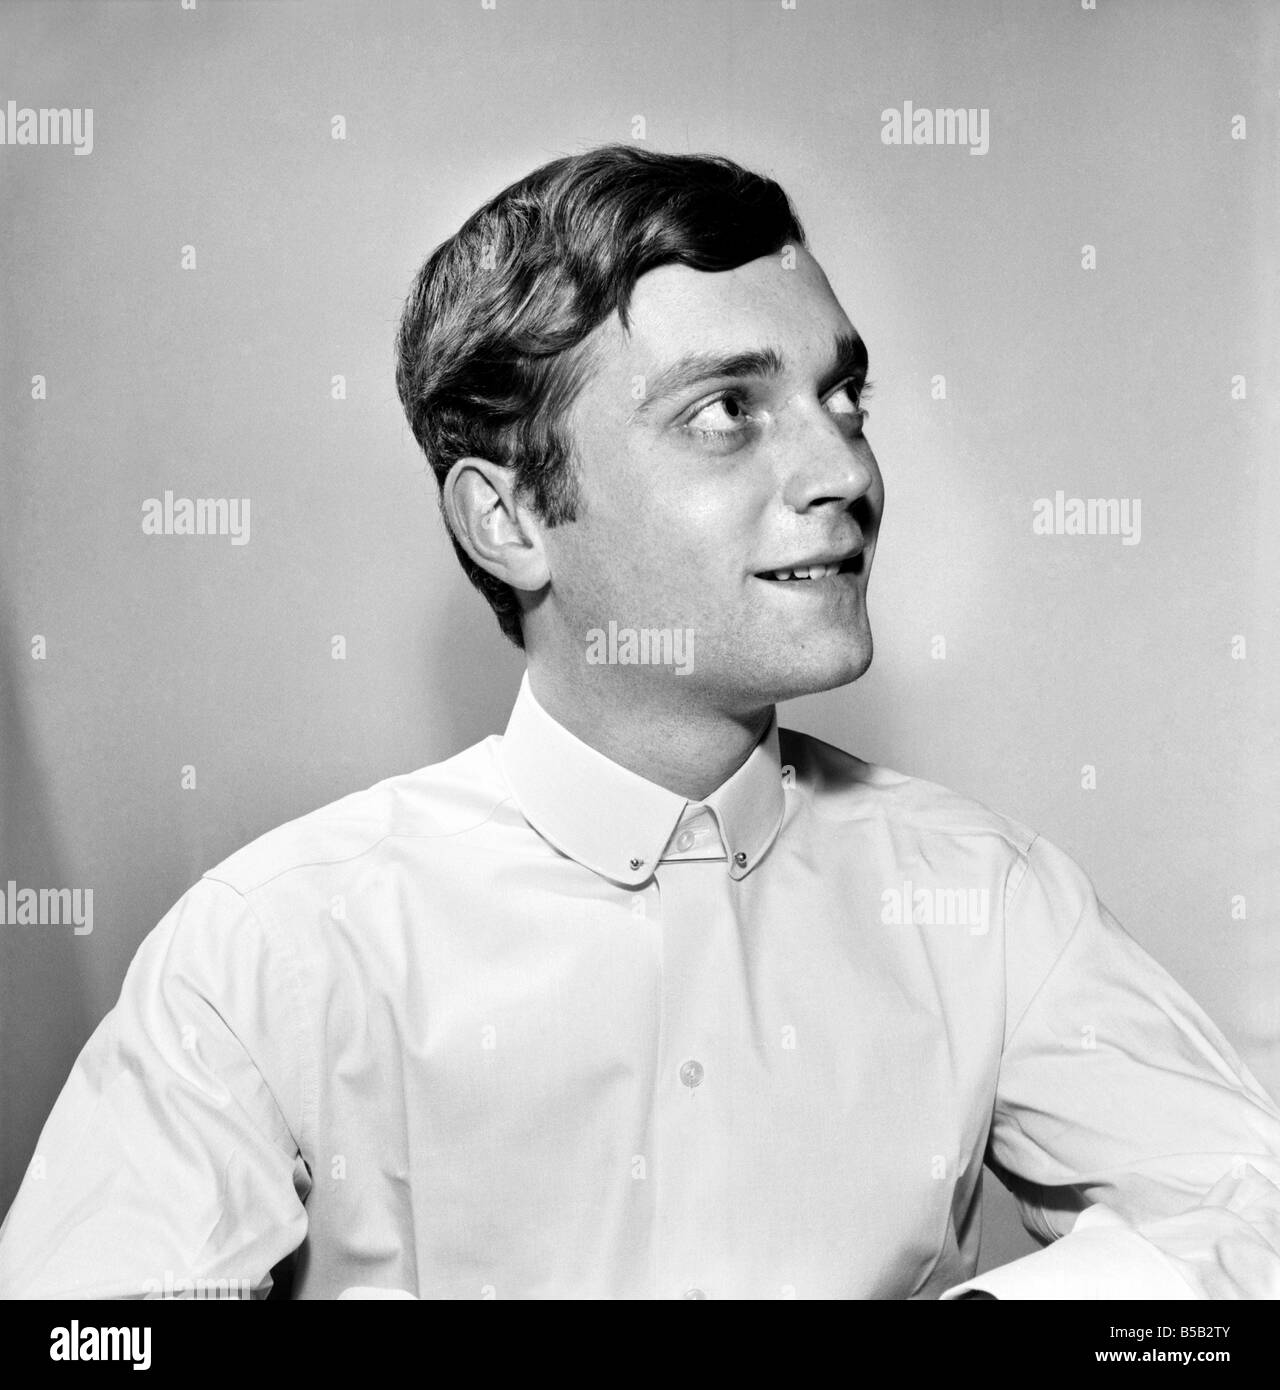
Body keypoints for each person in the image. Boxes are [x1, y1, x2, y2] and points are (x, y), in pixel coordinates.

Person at [2, 145, 1277, 1300]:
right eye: (725, 410)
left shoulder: (986, 899)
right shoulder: (273, 945)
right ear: (505, 520)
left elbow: (1241, 1220)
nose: (844, 473)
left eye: (843, 399)